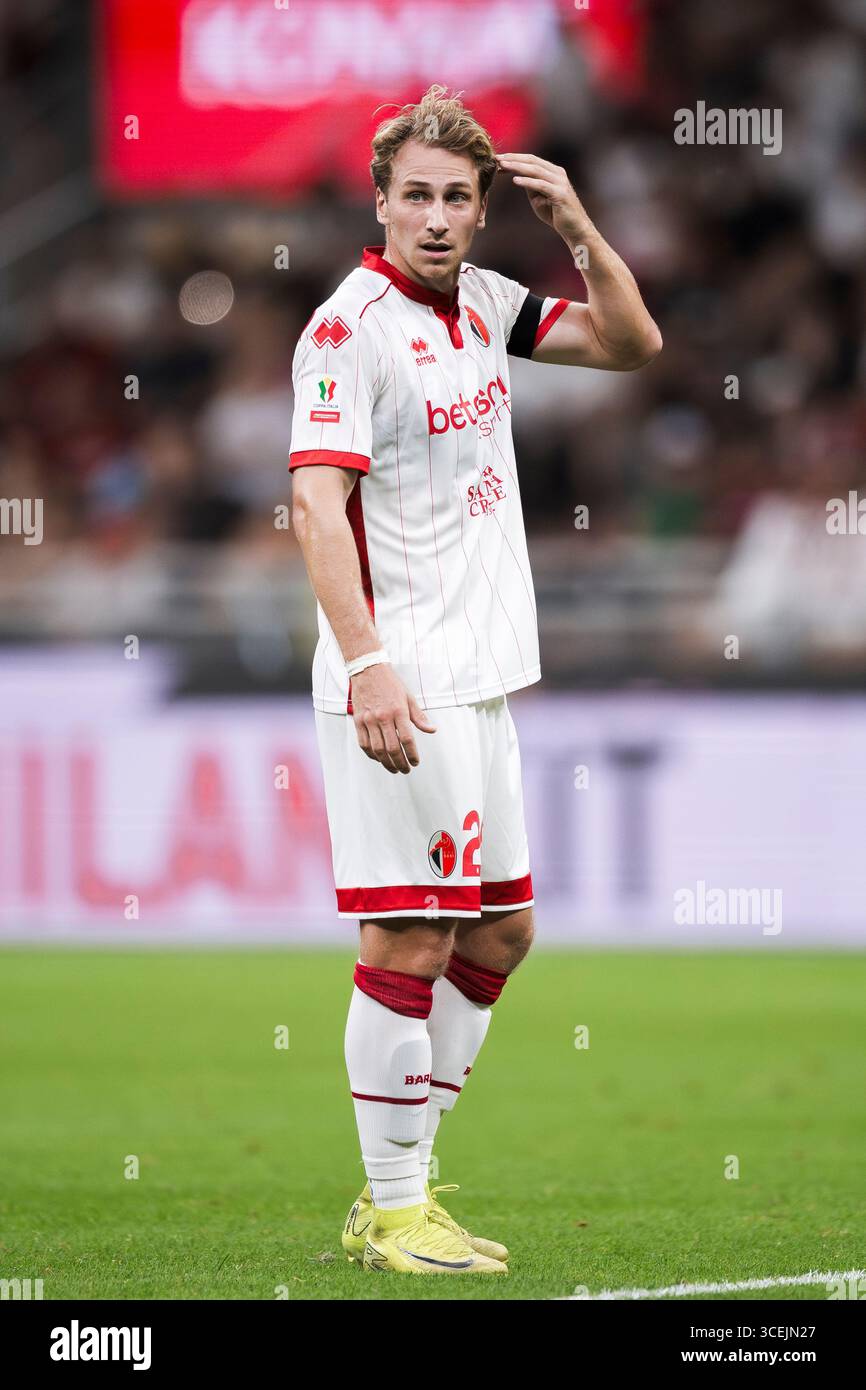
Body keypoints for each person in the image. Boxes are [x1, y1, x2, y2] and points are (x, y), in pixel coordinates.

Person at [289, 84, 661, 1276]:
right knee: (407, 939)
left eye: (459, 196)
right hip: (400, 678)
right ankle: (395, 1204)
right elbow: (312, 500)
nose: (438, 217)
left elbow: (631, 344)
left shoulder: (487, 304)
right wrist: (366, 665)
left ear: (482, 207)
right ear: (382, 202)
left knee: (498, 931)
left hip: (482, 678)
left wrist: (580, 232)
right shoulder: (348, 329)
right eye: (417, 197)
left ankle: (402, 1176)